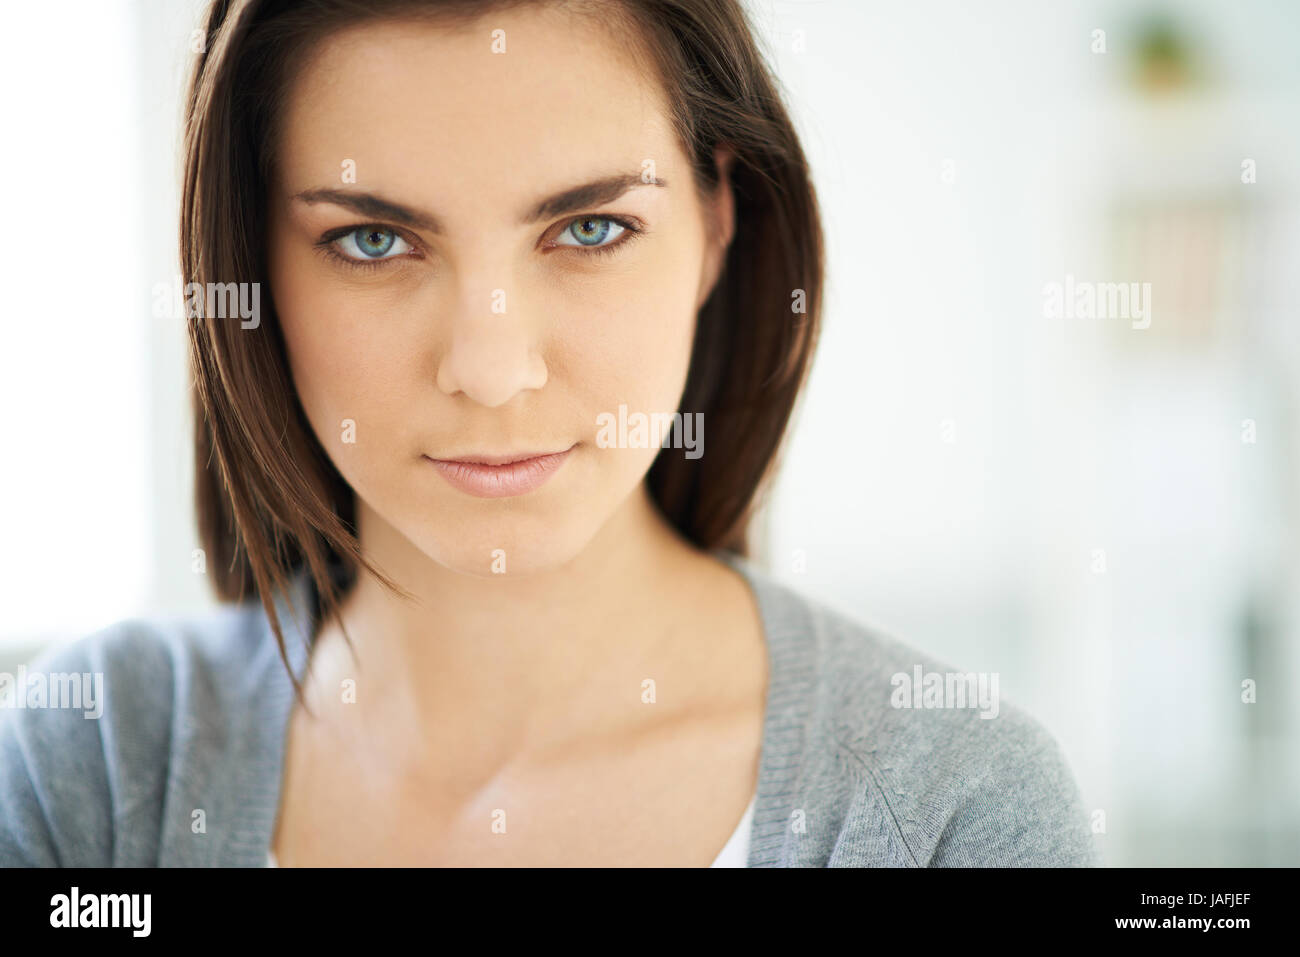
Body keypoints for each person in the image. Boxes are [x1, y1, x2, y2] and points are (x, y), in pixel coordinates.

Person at [0, 0, 1096, 867]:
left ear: (718, 223)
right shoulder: (90, 764)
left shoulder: (951, 809)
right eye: (374, 241)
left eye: (589, 228)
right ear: (252, 264)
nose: (489, 370)